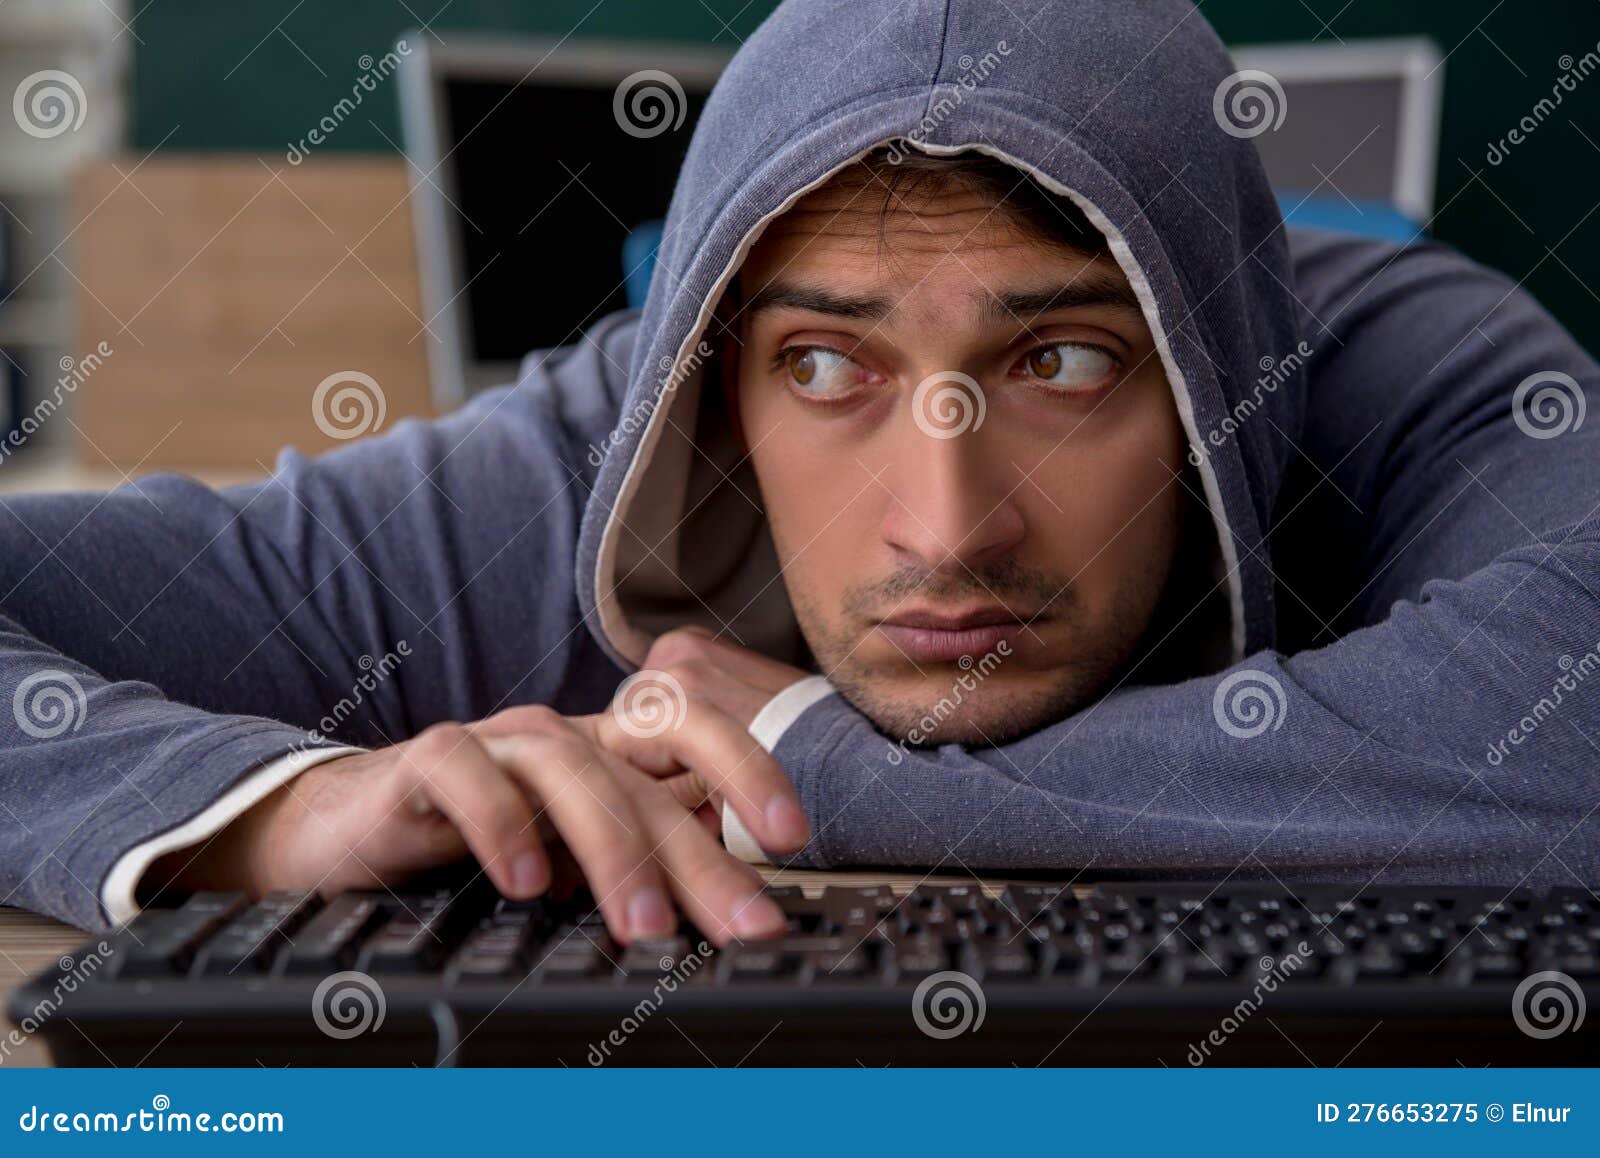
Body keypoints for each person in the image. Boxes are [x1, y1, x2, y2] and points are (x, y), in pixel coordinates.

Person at [2, 0, 1596, 942]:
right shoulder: (598, 456)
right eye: (827, 368)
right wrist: (265, 814)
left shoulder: (1385, 361)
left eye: (1063, 362)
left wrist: (796, 757)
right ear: (714, 381)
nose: (946, 527)